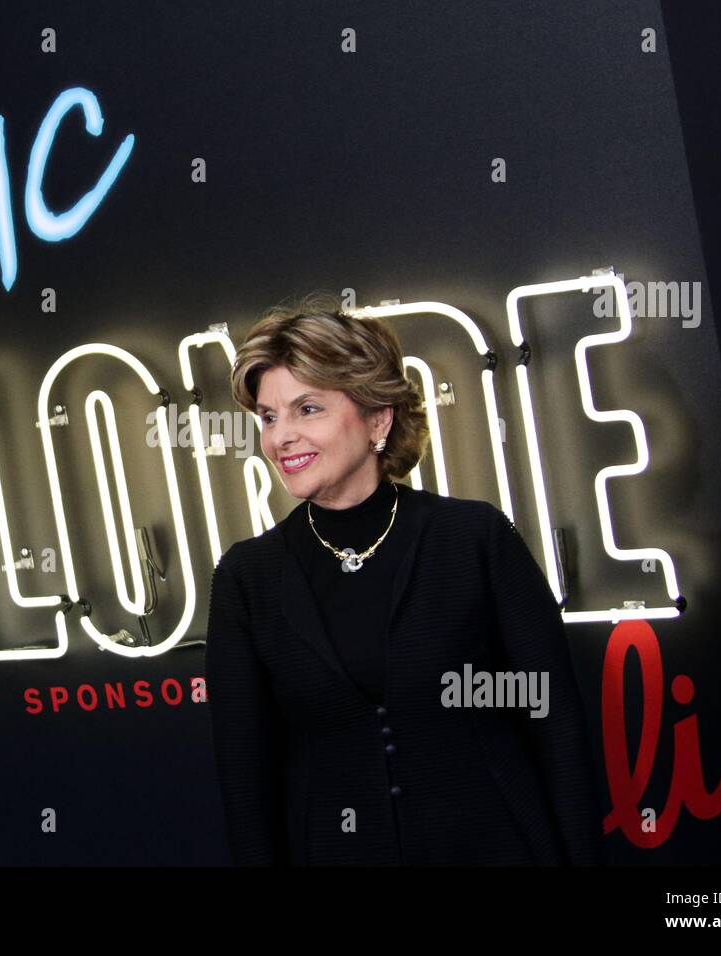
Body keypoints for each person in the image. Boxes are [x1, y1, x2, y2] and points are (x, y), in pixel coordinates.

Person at [204, 291, 604, 865]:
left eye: (307, 409)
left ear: (378, 418)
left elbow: (555, 725)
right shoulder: (247, 578)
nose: (279, 436)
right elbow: (246, 782)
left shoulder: (475, 540)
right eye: (269, 417)